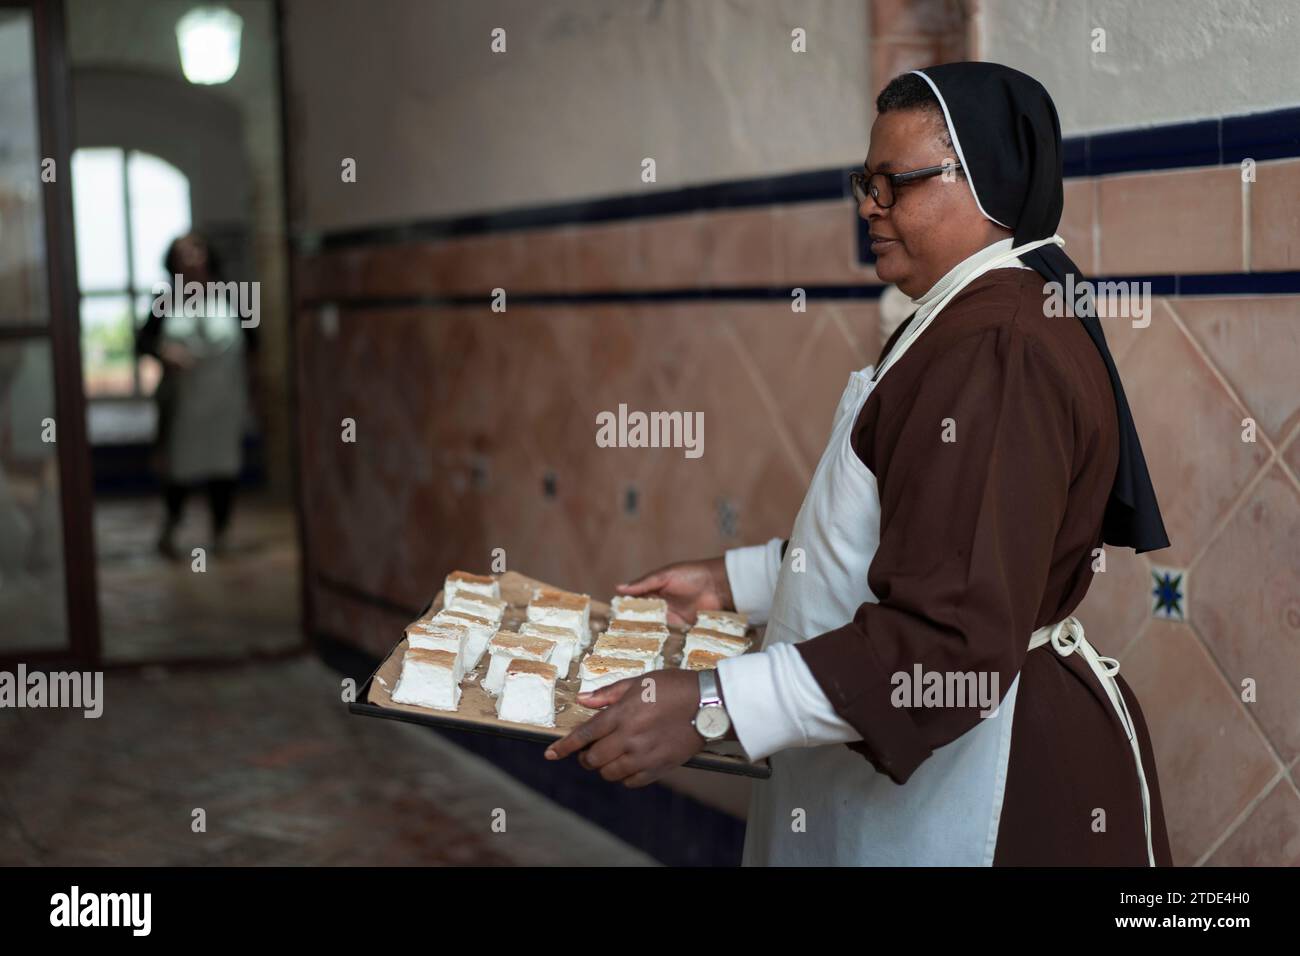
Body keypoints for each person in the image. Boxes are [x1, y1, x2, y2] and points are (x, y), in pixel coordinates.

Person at [547, 62, 1175, 866]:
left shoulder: (997, 346)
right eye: (865, 181)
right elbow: (919, 541)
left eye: (896, 183)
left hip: (986, 785)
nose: (869, 206)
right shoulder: (966, 315)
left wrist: (713, 704)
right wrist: (735, 583)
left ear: (986, 185)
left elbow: (949, 635)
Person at [137, 233, 258, 558]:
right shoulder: (165, 299)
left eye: (196, 250)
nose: (190, 258)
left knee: (223, 464)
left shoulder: (236, 295)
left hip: (224, 397)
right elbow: (143, 342)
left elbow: (255, 345)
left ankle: (221, 532)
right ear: (172, 261)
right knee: (180, 466)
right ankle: (172, 527)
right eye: (182, 253)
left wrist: (256, 392)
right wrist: (165, 351)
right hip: (183, 399)